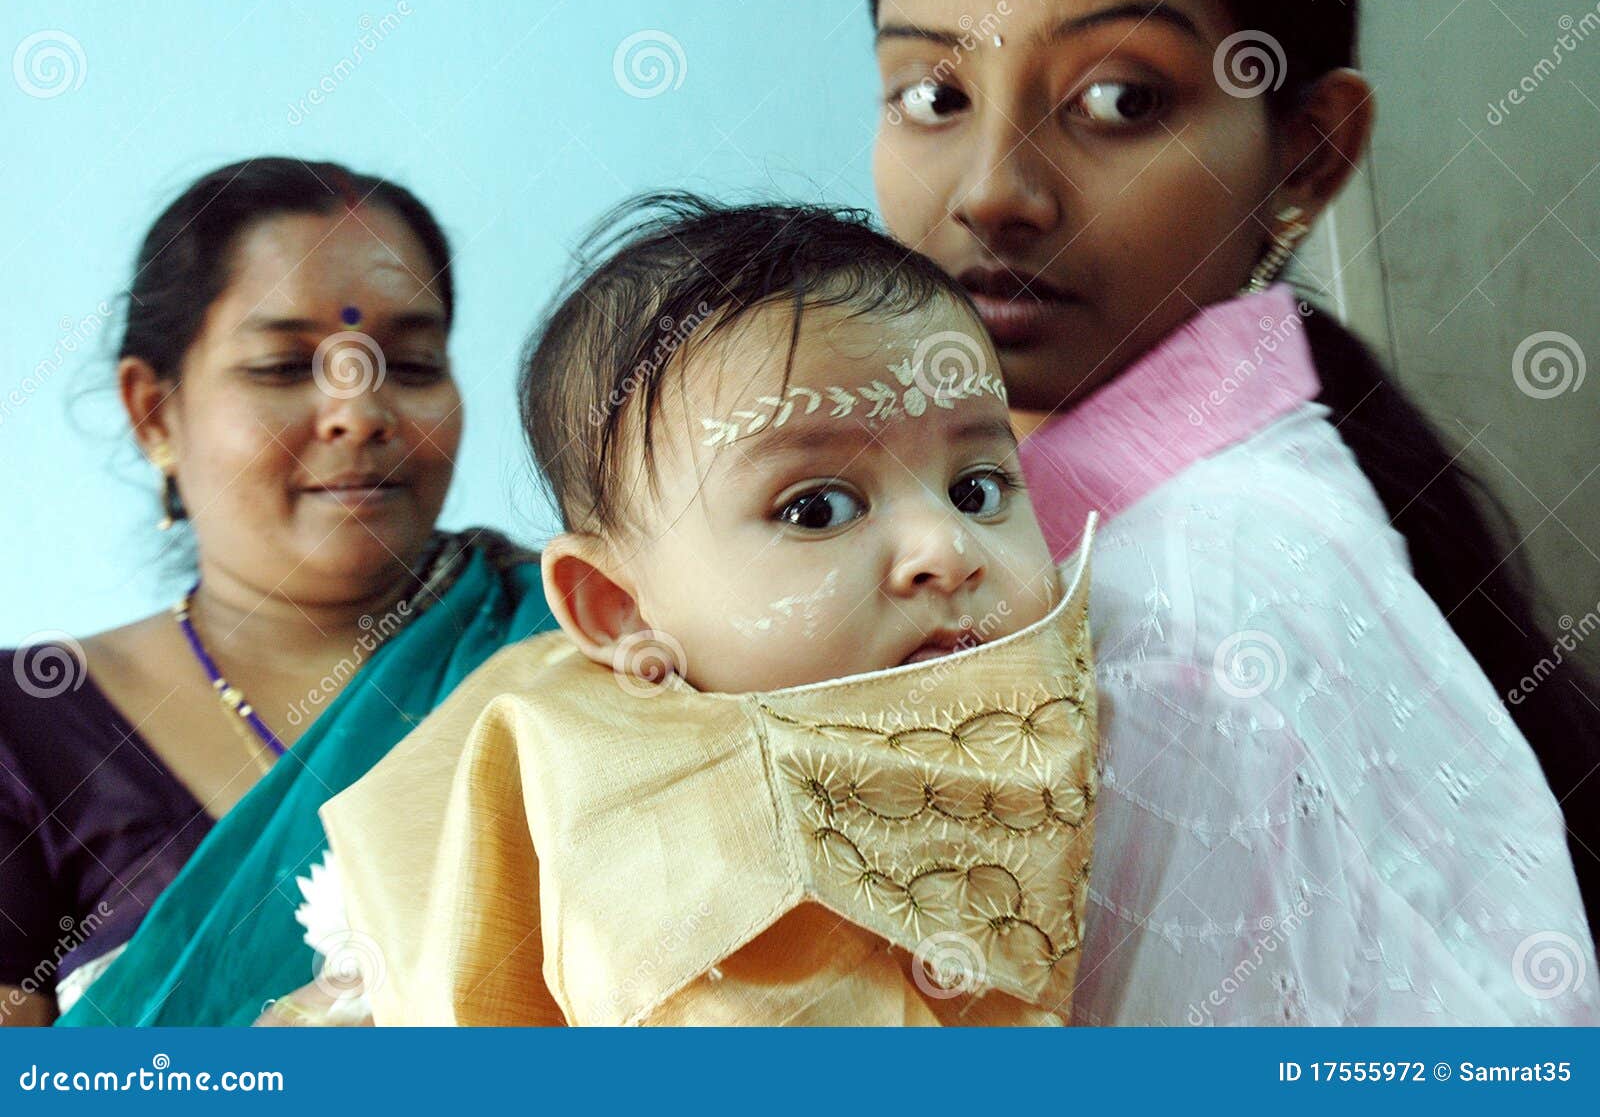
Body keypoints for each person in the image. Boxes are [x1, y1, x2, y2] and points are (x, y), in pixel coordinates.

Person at [868, 0, 1599, 1022]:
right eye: (933, 96)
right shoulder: (1045, 553)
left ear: (1306, 154)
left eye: (1122, 99)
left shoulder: (1161, 628)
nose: (991, 190)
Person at [287, 195, 1100, 1025]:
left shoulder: (1078, 691)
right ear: (618, 608)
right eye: (818, 509)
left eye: (979, 488)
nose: (948, 547)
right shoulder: (685, 846)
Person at [0, 157, 554, 1028]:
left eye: (409, 363)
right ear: (153, 413)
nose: (360, 411)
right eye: (284, 366)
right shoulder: (24, 731)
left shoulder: (575, 635)